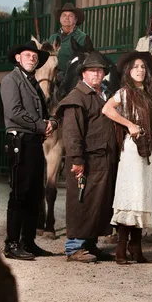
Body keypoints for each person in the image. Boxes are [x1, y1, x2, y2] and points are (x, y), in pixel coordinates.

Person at [55, 51, 119, 263]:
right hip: (86, 160)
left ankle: (90, 244)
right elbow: (72, 133)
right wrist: (76, 160)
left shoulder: (103, 95)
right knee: (80, 201)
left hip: (103, 159)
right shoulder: (77, 98)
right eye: (92, 71)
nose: (97, 74)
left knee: (97, 203)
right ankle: (73, 247)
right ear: (83, 73)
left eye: (100, 71)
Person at [101, 51, 152, 264]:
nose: (140, 70)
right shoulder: (124, 92)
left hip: (148, 151)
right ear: (128, 70)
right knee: (130, 195)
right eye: (135, 67)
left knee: (143, 195)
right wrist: (129, 124)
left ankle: (136, 246)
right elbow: (107, 109)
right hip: (132, 150)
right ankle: (121, 248)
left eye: (143, 67)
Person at [1, 41, 56, 260]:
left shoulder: (33, 82)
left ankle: (29, 242)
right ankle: (12, 244)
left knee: (35, 193)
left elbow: (43, 111)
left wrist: (51, 122)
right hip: (20, 141)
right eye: (28, 55)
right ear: (18, 58)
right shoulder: (11, 80)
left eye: (35, 56)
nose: (32, 58)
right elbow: (14, 111)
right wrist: (43, 125)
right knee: (20, 193)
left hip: (34, 141)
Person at [48, 3, 93, 82]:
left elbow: (89, 61)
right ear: (60, 19)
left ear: (75, 20)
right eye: (64, 15)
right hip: (53, 79)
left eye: (70, 16)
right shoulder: (52, 38)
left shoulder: (83, 38)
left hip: (74, 80)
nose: (67, 18)